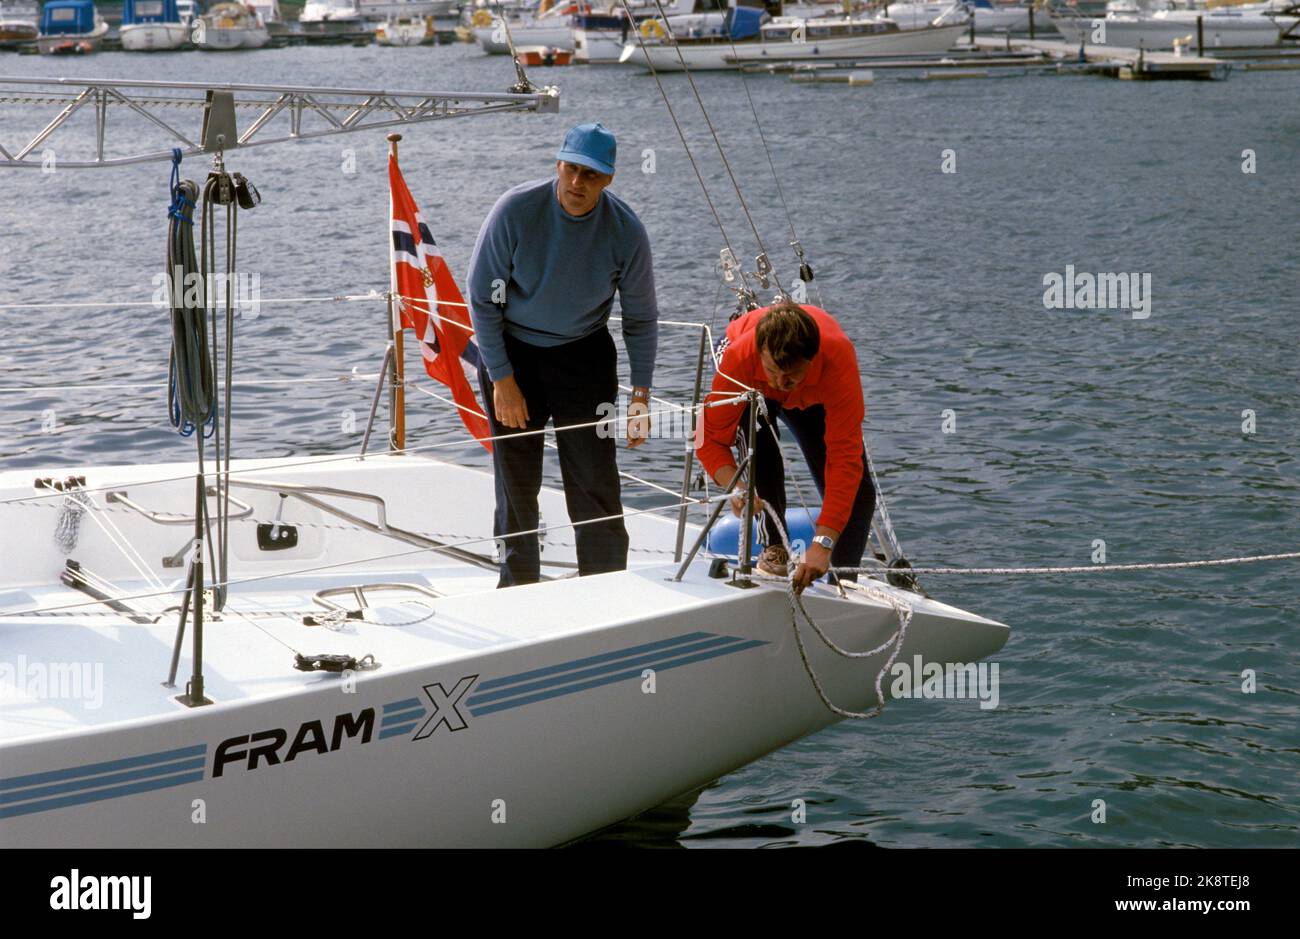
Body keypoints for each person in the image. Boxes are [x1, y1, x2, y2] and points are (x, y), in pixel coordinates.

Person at [467, 122, 659, 587]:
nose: (577, 183)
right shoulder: (515, 210)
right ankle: (518, 587)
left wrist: (641, 394)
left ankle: (606, 581)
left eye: (590, 175)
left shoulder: (626, 231)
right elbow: (481, 297)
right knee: (517, 481)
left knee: (594, 478)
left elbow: (640, 319)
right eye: (571, 169)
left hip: (584, 356)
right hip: (513, 355)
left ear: (608, 179)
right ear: (557, 164)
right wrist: (502, 378)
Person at [696, 299, 876, 593]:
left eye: (790, 374)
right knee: (759, 445)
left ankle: (842, 581)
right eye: (774, 371)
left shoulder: (837, 363)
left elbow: (844, 460)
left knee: (860, 489)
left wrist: (822, 542)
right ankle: (774, 548)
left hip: (811, 392)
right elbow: (707, 438)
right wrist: (736, 486)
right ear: (760, 354)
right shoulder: (741, 358)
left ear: (811, 359)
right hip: (749, 381)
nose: (780, 382)